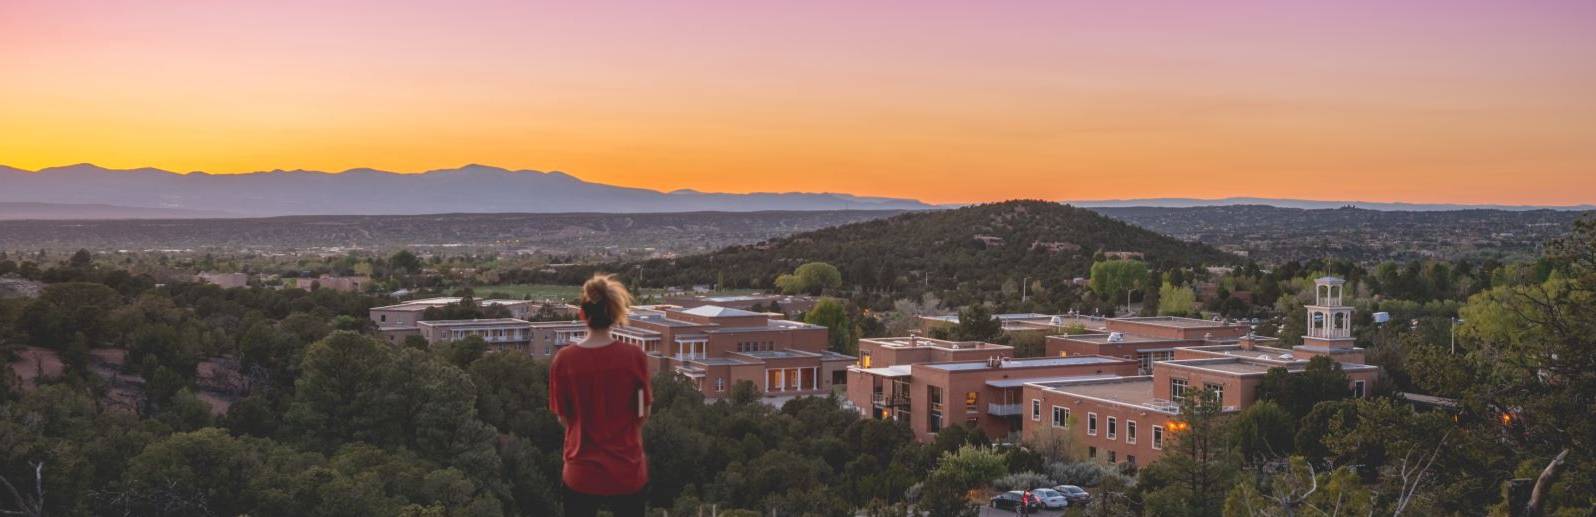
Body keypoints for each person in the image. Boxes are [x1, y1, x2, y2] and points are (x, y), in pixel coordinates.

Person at [549, 274, 651, 517]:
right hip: (627, 469)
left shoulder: (564, 360)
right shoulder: (634, 357)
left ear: (582, 314)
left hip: (581, 472)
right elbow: (642, 413)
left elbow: (563, 417)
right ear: (615, 315)